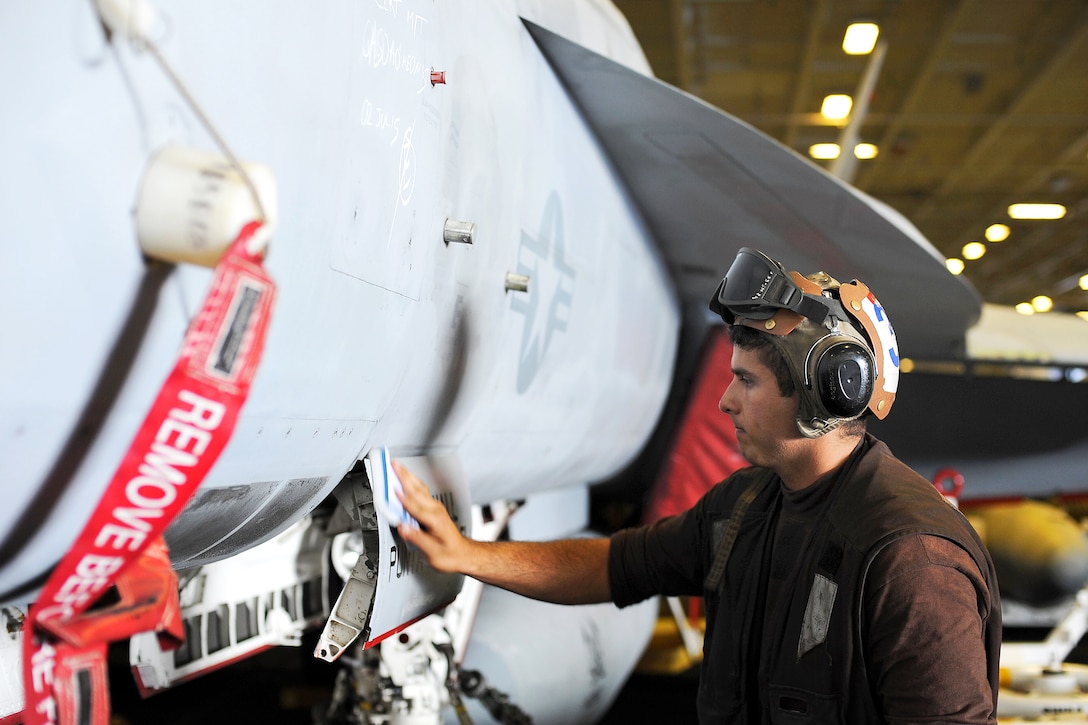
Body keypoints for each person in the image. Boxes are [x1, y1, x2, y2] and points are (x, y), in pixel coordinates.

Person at [394, 247, 1001, 724]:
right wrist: (468, 555)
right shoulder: (745, 507)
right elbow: (616, 566)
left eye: (747, 382)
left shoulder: (911, 561)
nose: (724, 400)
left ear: (825, 391)